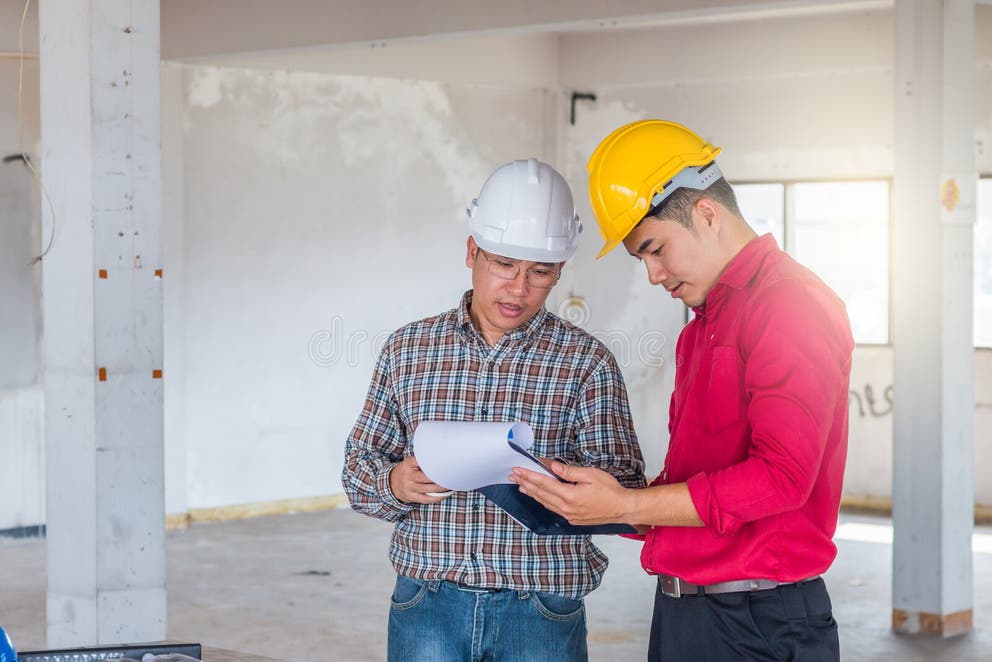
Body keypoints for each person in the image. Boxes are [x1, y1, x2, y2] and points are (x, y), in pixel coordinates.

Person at [511, 120, 854, 661]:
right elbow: (701, 478)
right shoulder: (703, 324)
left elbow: (782, 478)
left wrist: (627, 500)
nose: (652, 274)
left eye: (655, 249)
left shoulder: (788, 304)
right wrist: (612, 506)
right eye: (642, 258)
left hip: (757, 622)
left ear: (706, 214)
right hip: (687, 612)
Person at [342, 157, 646, 662]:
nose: (518, 289)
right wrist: (396, 484)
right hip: (428, 600)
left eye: (540, 272)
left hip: (542, 608)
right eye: (504, 264)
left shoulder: (587, 363)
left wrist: (565, 484)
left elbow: (625, 489)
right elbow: (358, 469)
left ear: (559, 272)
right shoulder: (408, 350)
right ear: (472, 252)